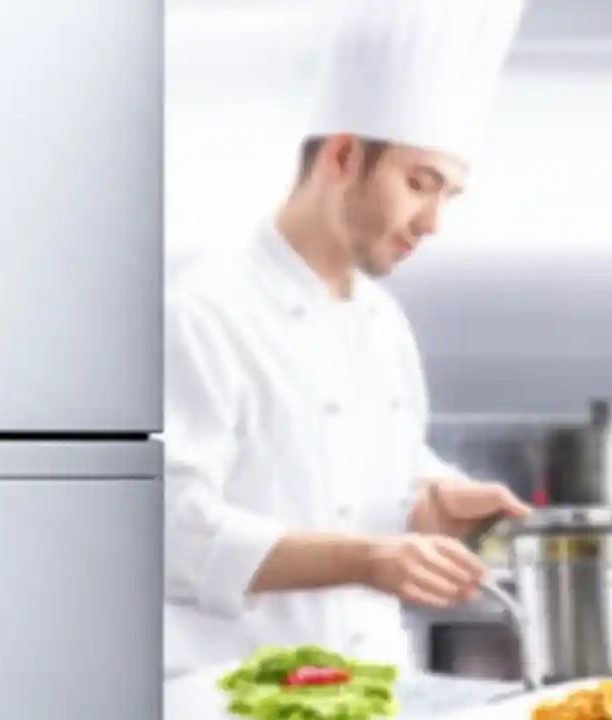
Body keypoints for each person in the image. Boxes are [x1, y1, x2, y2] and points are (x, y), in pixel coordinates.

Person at [163, 0, 532, 680]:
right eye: (420, 185)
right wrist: (367, 559)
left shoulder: (383, 323)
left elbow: (351, 470)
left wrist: (431, 503)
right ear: (342, 155)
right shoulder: (203, 311)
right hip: (238, 697)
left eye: (449, 195)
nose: (433, 223)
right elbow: (170, 531)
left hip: (371, 690)